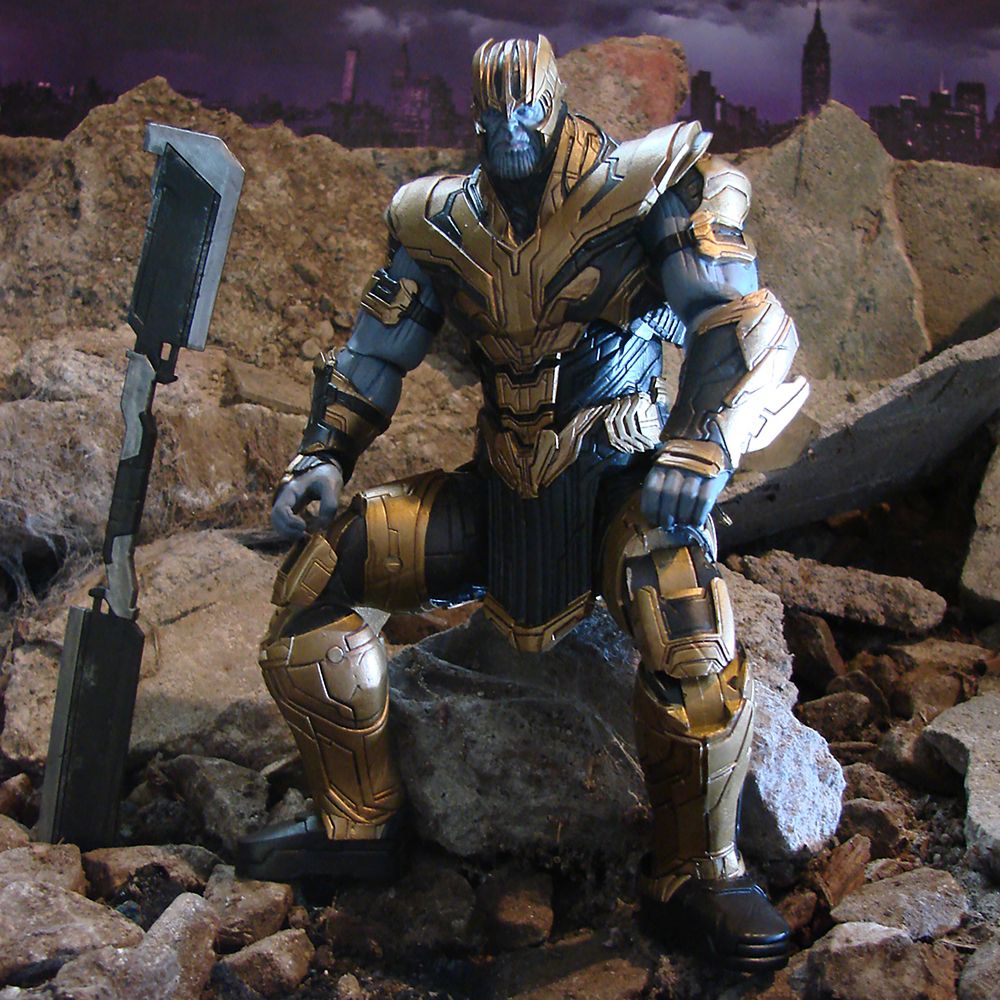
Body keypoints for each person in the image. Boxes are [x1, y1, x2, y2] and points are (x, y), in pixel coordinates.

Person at [238, 36, 808, 972]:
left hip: (620, 489)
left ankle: (697, 872)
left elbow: (740, 320)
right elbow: (376, 351)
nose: (510, 131)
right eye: (492, 115)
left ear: (555, 100)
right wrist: (323, 455)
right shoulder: (436, 219)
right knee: (322, 569)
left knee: (692, 633)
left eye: (527, 111)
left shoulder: (646, 187)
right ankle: (359, 823)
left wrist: (703, 442)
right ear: (473, 116)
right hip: (497, 498)